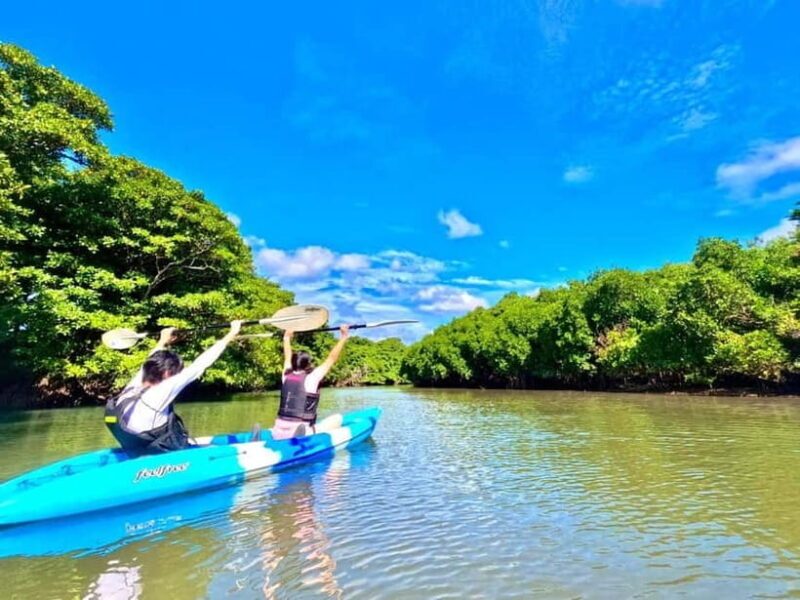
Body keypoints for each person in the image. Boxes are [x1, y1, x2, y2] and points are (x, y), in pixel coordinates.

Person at [104, 320, 243, 455]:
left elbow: (151, 359)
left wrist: (163, 341)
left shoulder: (134, 385)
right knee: (212, 448)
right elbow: (200, 364)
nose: (178, 374)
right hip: (159, 450)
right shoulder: (162, 390)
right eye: (177, 371)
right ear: (167, 373)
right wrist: (231, 334)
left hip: (135, 446)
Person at [272, 325, 350, 440]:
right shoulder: (312, 378)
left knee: (287, 426)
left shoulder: (286, 375)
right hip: (300, 432)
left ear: (294, 363)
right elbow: (331, 358)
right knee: (337, 418)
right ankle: (302, 436)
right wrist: (344, 336)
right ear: (308, 364)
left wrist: (286, 337)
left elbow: (287, 357)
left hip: (277, 431)